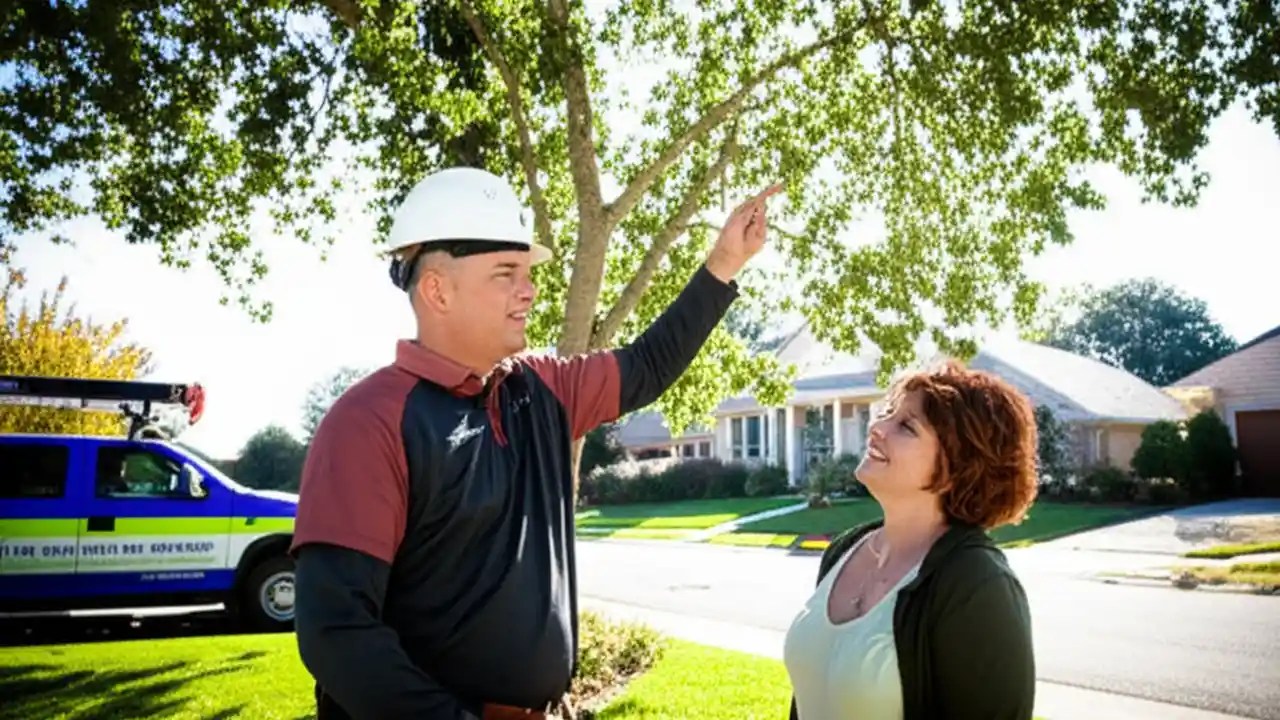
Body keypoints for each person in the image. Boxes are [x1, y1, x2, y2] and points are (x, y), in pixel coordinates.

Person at [290, 165, 781, 720]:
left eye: (528, 272)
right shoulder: (369, 421)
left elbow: (646, 366)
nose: (529, 291)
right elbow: (337, 630)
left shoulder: (543, 387)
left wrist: (724, 263)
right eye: (506, 274)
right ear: (437, 290)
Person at [783, 360, 1039, 720]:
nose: (876, 427)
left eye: (906, 426)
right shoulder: (843, 551)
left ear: (958, 466)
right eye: (888, 412)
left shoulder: (978, 585)